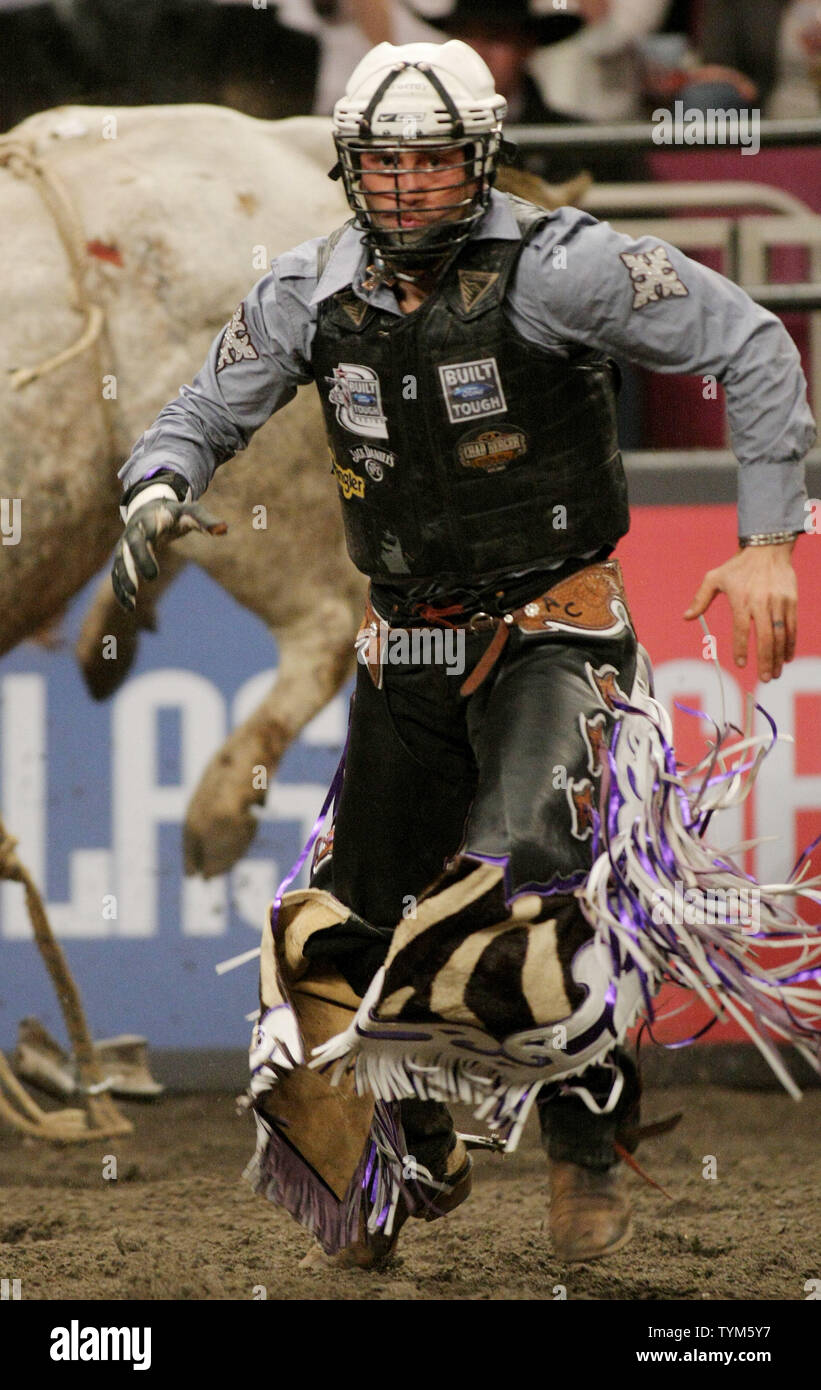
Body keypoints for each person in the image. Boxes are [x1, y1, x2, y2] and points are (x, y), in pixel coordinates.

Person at [112, 39, 816, 1267]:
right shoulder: (307, 291)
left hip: (557, 637)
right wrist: (158, 483)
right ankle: (409, 1144)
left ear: (478, 162)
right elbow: (199, 408)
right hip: (406, 651)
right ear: (347, 165)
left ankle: (584, 1150)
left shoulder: (566, 267)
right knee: (342, 926)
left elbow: (750, 343)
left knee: (532, 876)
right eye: (379, 159)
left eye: (430, 160)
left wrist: (765, 539)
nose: (402, 184)